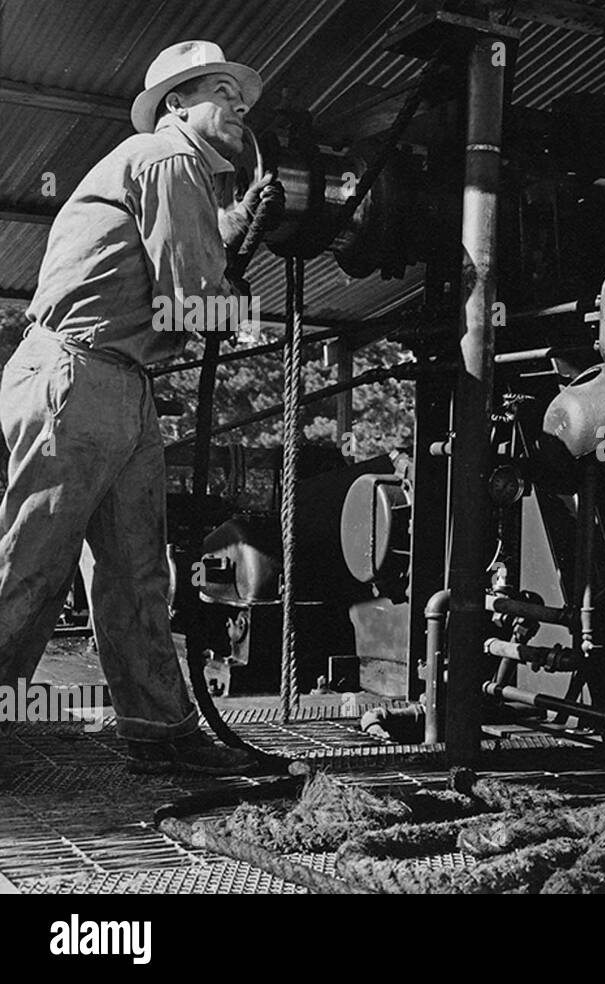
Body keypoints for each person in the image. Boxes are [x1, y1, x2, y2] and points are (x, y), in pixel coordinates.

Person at [0, 41, 282, 774]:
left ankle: (162, 732)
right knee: (33, 564)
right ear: (177, 105)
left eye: (241, 95)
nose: (241, 105)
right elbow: (189, 302)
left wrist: (231, 228)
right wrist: (241, 301)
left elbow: (182, 273)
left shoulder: (180, 176)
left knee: (135, 570)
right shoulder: (165, 159)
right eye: (224, 91)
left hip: (120, 382)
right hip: (79, 374)